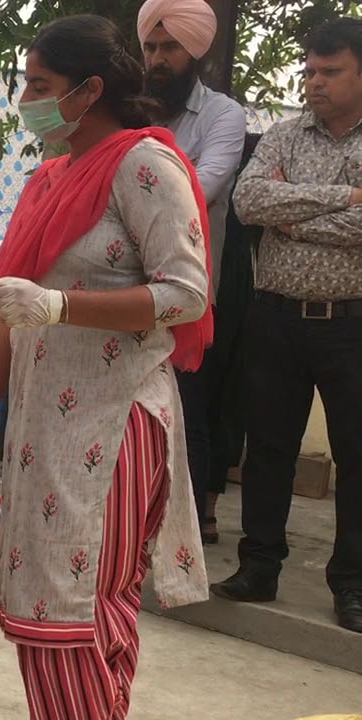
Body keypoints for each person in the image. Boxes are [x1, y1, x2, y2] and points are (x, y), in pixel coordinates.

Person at [0, 15, 212, 718]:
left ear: (89, 90)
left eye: (41, 85)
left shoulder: (144, 165)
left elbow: (185, 295)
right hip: (40, 433)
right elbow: (13, 308)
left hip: (112, 426)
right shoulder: (48, 180)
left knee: (78, 613)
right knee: (54, 612)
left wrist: (62, 305)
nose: (26, 99)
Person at [216, 17, 362, 635]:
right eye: (309, 71)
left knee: (357, 456)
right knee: (269, 448)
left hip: (350, 324)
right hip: (274, 317)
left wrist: (293, 213)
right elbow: (249, 202)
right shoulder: (281, 135)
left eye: (329, 72)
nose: (314, 82)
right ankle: (259, 567)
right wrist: (347, 197)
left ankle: (352, 585)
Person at [138, 0, 246, 546]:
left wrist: (134, 197)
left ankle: (193, 523)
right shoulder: (132, 109)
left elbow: (198, 194)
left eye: (170, 48)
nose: (158, 59)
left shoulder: (224, 116)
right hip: (126, 289)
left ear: (195, 50)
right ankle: (139, 514)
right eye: (152, 47)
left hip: (188, 291)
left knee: (189, 408)